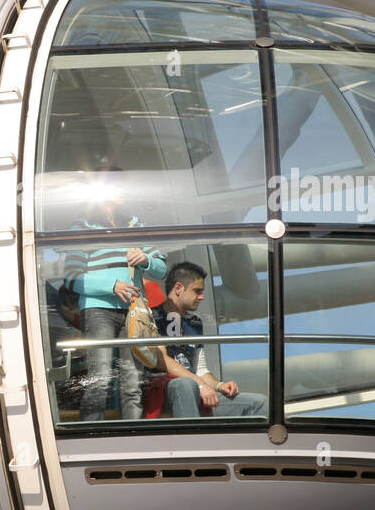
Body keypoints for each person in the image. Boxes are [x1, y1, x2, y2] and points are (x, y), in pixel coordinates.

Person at [65, 168, 166, 421]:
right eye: (116, 186)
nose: (123, 191)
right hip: (98, 311)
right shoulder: (82, 226)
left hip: (133, 312)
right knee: (99, 381)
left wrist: (146, 260)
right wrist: (111, 287)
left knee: (133, 383)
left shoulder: (136, 223)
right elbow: (71, 278)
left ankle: (133, 437)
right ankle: (92, 437)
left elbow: (162, 268)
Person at [151, 261, 268, 419]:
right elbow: (161, 359)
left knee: (259, 403)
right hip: (165, 392)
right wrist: (199, 384)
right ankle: (192, 442)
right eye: (197, 291)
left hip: (196, 391)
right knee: (185, 385)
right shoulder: (152, 317)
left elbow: (200, 369)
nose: (202, 296)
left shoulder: (194, 323)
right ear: (178, 288)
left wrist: (220, 386)